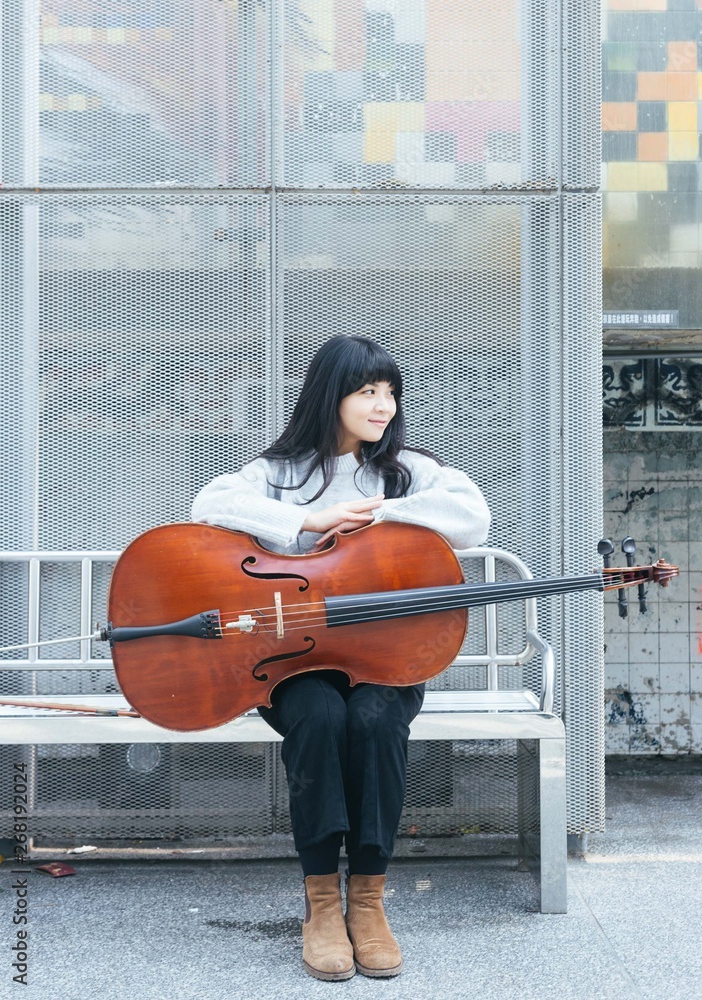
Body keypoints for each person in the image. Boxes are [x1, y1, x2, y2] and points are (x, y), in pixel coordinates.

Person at [191, 335, 490, 981]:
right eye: (367, 391)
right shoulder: (278, 471)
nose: (383, 405)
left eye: (389, 392)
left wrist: (380, 516)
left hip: (388, 653)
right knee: (322, 718)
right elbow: (208, 507)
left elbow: (472, 516)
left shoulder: (408, 470)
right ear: (332, 395)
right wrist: (309, 519)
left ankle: (370, 900)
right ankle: (322, 902)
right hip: (296, 658)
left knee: (376, 721)